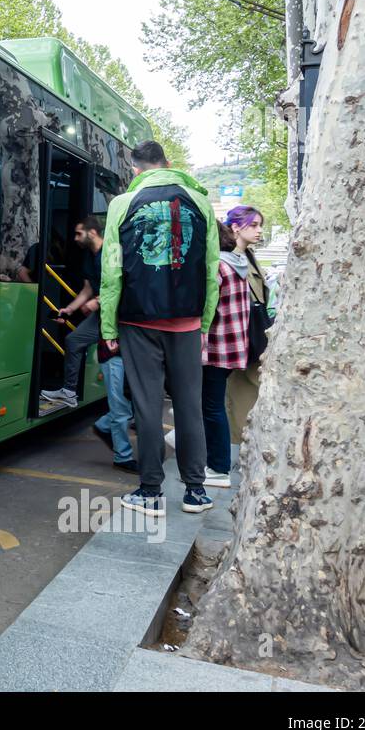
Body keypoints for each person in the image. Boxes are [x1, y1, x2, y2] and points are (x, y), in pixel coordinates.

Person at [99, 140, 220, 517]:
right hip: (186, 322)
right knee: (189, 405)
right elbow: (211, 270)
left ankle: (150, 490)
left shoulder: (121, 204)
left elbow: (111, 272)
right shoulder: (200, 202)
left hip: (137, 320)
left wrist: (108, 327)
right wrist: (205, 321)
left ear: (136, 169)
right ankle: (195, 491)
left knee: (147, 406)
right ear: (168, 164)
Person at [200, 222, 252, 490]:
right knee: (212, 405)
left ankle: (218, 468)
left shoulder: (218, 267)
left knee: (211, 407)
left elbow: (206, 305)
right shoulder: (238, 265)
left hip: (215, 347)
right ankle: (214, 461)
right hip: (233, 348)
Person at [39, 215, 104, 407]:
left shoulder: (110, 252)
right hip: (103, 314)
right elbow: (88, 289)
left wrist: (97, 302)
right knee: (73, 340)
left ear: (92, 232)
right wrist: (69, 309)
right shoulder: (89, 257)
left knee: (125, 362)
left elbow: (120, 284)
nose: (75, 238)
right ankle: (69, 392)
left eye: (78, 233)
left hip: (121, 315)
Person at [222, 205, 267, 456]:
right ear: (236, 227)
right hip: (239, 336)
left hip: (254, 334)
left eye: (260, 225)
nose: (259, 230)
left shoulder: (247, 256)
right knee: (239, 396)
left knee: (249, 392)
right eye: (254, 225)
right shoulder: (227, 260)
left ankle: (246, 448)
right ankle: (240, 449)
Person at [93, 336, 136, 473]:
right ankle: (123, 457)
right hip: (115, 354)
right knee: (121, 409)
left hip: (126, 354)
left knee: (127, 406)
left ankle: (103, 425)